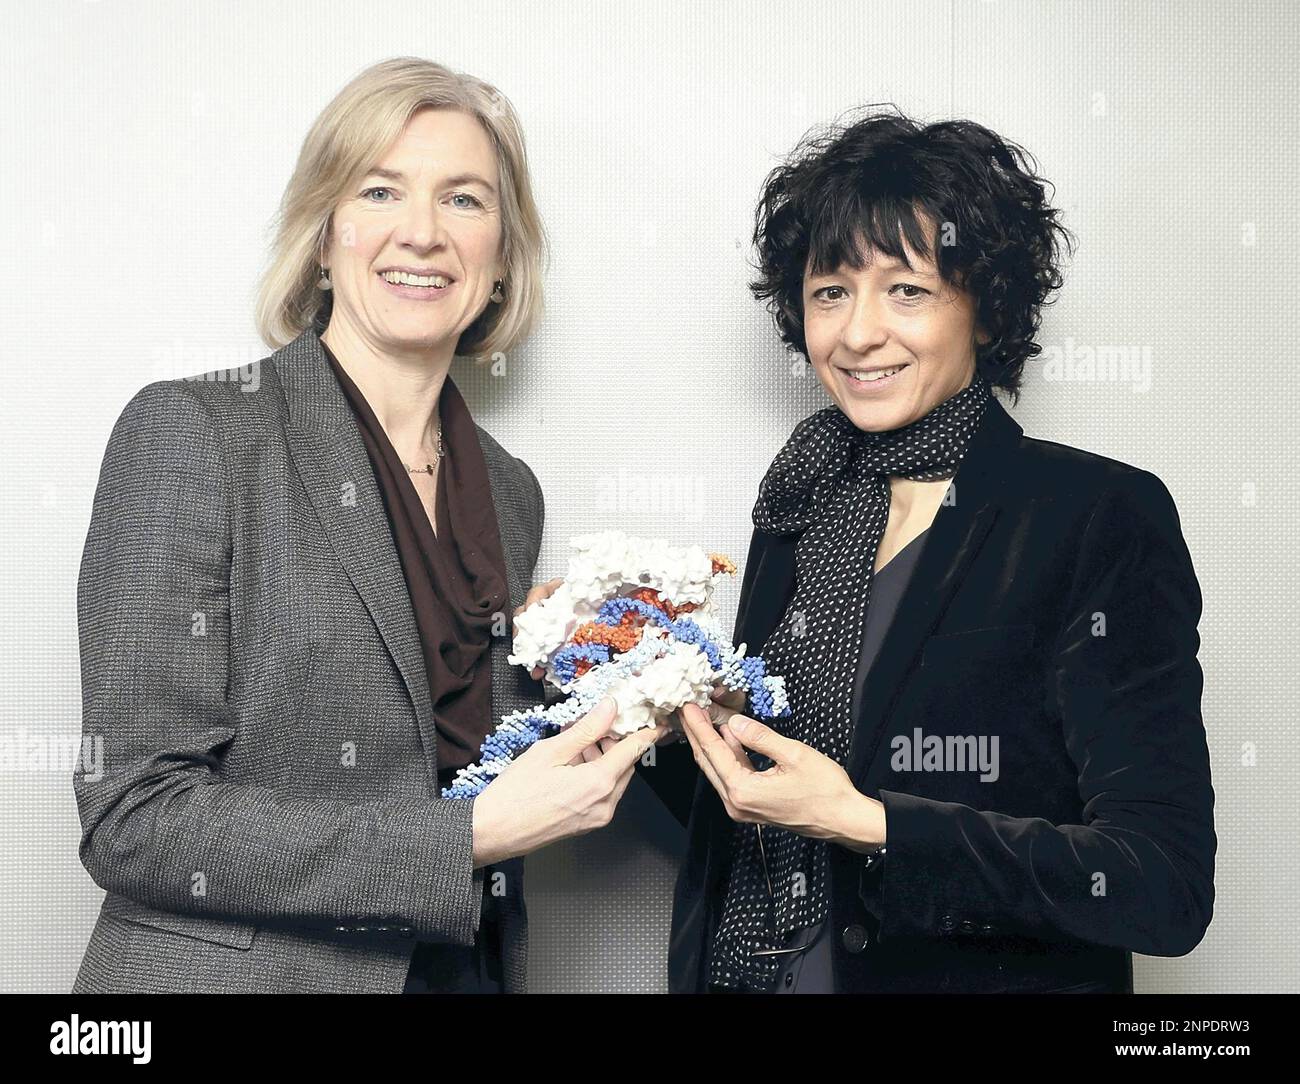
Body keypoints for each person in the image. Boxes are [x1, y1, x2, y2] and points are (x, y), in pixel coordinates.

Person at [71, 56, 658, 995]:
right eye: (380, 191)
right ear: (322, 235)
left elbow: (446, 752)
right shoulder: (195, 432)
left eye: (463, 199)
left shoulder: (510, 491)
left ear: (502, 256)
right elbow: (134, 815)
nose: (422, 232)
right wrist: (469, 837)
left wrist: (612, 672)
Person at [664, 108, 1216, 993]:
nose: (857, 333)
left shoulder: (1095, 515)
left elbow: (1161, 884)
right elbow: (754, 809)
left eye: (907, 291)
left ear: (987, 311)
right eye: (831, 291)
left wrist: (872, 824)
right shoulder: (802, 502)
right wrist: (639, 697)